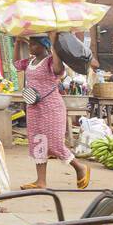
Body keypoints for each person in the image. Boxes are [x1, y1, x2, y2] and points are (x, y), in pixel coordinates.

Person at [14, 35, 90, 190]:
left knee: (55, 144)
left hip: (51, 107)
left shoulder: (50, 61)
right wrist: (17, 42)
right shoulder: (29, 62)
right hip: (34, 107)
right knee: (38, 142)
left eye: (35, 44)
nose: (31, 47)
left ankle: (80, 167)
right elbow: (16, 64)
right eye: (30, 43)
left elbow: (58, 70)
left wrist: (54, 43)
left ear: (44, 45)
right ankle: (41, 182)